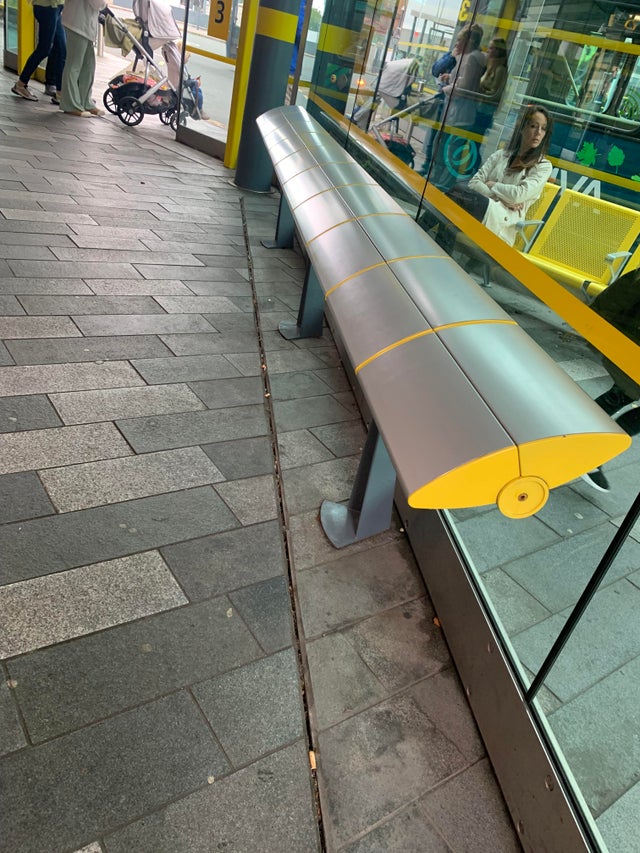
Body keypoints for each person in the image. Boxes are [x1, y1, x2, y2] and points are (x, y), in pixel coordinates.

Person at [580, 265, 640, 492]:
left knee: (621, 396)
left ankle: (583, 450)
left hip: (628, 338)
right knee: (623, 395)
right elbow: (626, 291)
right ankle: (586, 454)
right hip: (630, 342)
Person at [430, 24, 486, 189]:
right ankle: (435, 178)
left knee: (451, 151)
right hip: (452, 112)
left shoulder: (473, 58)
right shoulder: (464, 58)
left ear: (470, 40)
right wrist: (449, 78)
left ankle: (444, 184)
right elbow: (460, 80)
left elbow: (464, 87)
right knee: (440, 146)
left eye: (460, 39)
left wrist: (445, 88)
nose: (457, 43)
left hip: (461, 115)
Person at [11, 0, 66, 104]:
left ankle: (60, 93)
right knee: (44, 49)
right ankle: (21, 84)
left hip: (55, 6)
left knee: (61, 49)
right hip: (48, 7)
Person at [59, 0, 107, 117]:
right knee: (74, 65)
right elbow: (98, 3)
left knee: (88, 66)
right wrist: (104, 4)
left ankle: (85, 102)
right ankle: (71, 104)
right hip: (77, 24)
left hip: (84, 24)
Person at [475, 37, 508, 136]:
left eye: (490, 48)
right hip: (479, 107)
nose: (488, 51)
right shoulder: (490, 66)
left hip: (486, 110)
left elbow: (496, 94)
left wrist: (481, 91)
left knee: (476, 138)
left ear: (497, 51)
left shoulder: (500, 69)